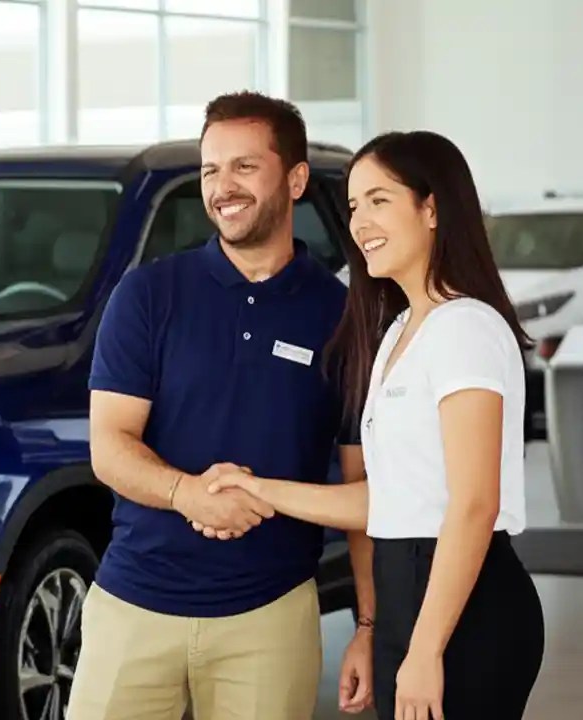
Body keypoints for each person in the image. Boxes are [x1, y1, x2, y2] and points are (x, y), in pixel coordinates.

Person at [197, 130, 546, 719]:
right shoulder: (397, 334)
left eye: (380, 201)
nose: (360, 224)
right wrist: (261, 491)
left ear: (431, 207)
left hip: (466, 608)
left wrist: (427, 648)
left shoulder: (466, 329)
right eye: (354, 206)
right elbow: (387, 501)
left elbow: (474, 504)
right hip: (408, 597)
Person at [66, 91, 367, 720]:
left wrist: (368, 624)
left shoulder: (341, 316)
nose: (222, 187)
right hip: (134, 608)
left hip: (270, 616)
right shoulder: (148, 295)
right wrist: (187, 494)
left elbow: (362, 484)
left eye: (244, 167)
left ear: (297, 178)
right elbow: (110, 444)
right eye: (210, 169)